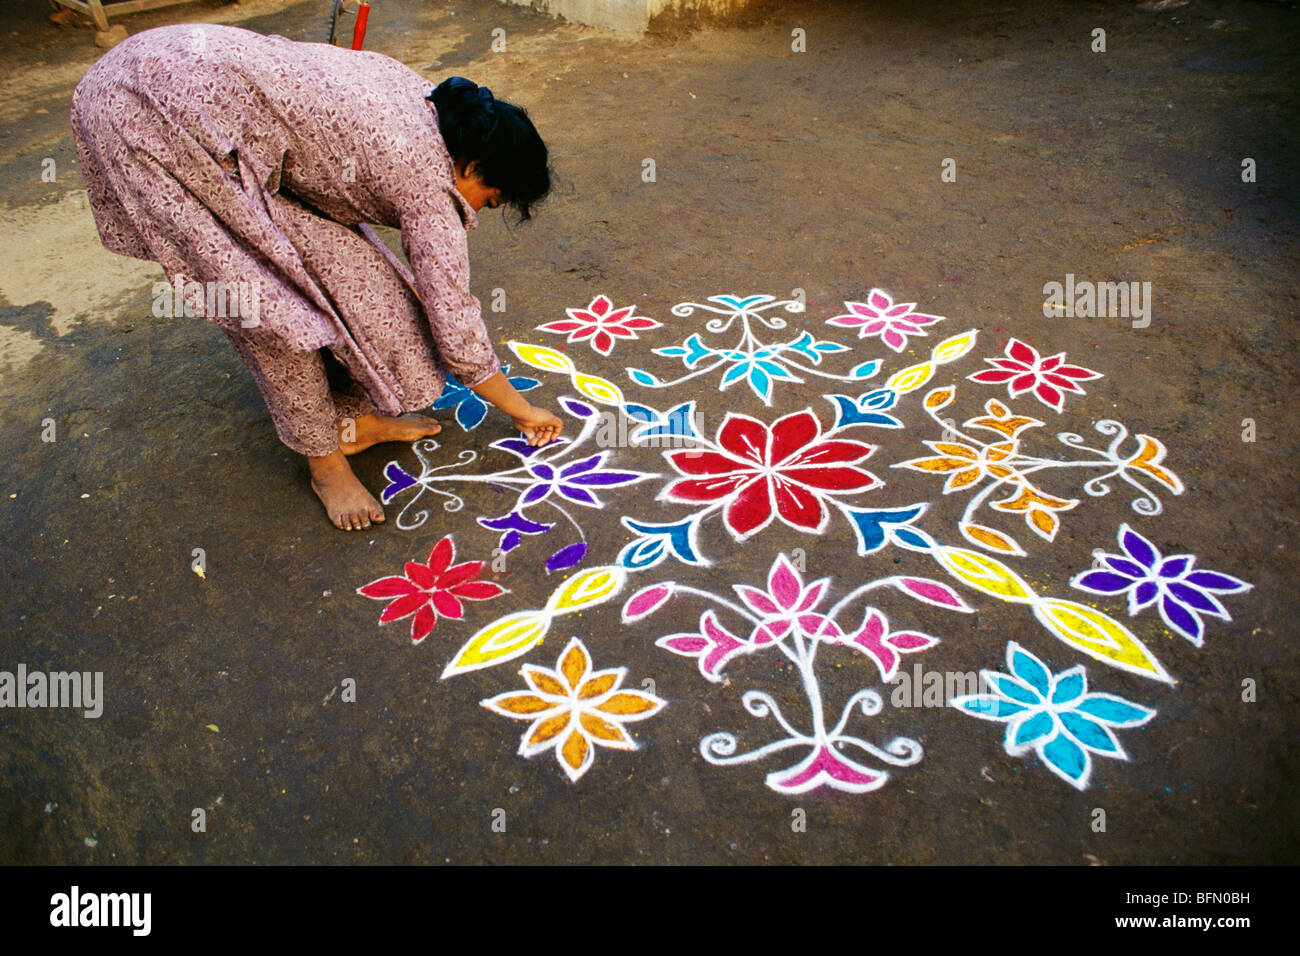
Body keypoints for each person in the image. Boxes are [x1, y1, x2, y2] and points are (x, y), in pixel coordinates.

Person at [70, 24, 562, 531]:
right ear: (474, 166)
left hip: (185, 81)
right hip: (151, 116)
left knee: (362, 285)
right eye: (491, 199)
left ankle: (351, 421)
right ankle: (325, 465)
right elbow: (454, 319)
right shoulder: (428, 183)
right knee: (274, 312)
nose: (478, 214)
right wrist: (521, 409)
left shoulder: (425, 98)